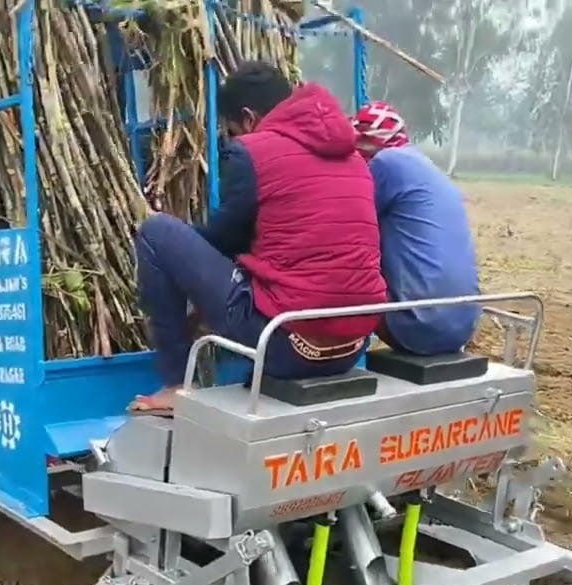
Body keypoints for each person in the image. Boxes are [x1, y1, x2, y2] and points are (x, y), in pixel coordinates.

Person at [127, 62, 387, 415]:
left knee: (158, 233)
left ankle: (176, 384)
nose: (234, 138)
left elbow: (224, 240)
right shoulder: (353, 158)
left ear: (248, 118)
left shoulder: (253, 150)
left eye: (232, 130)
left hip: (286, 346)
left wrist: (189, 287)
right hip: (352, 348)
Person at [351, 101, 480, 355]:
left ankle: (329, 360)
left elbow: (347, 222)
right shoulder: (425, 165)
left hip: (418, 327)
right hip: (464, 324)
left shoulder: (385, 163)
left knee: (338, 269)